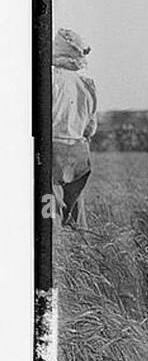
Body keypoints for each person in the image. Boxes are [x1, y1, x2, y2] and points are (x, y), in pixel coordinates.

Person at [50, 28, 98, 228]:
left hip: (52, 151)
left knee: (49, 212)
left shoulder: (50, 79)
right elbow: (91, 129)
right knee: (76, 215)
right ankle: (83, 255)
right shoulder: (87, 85)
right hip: (78, 153)